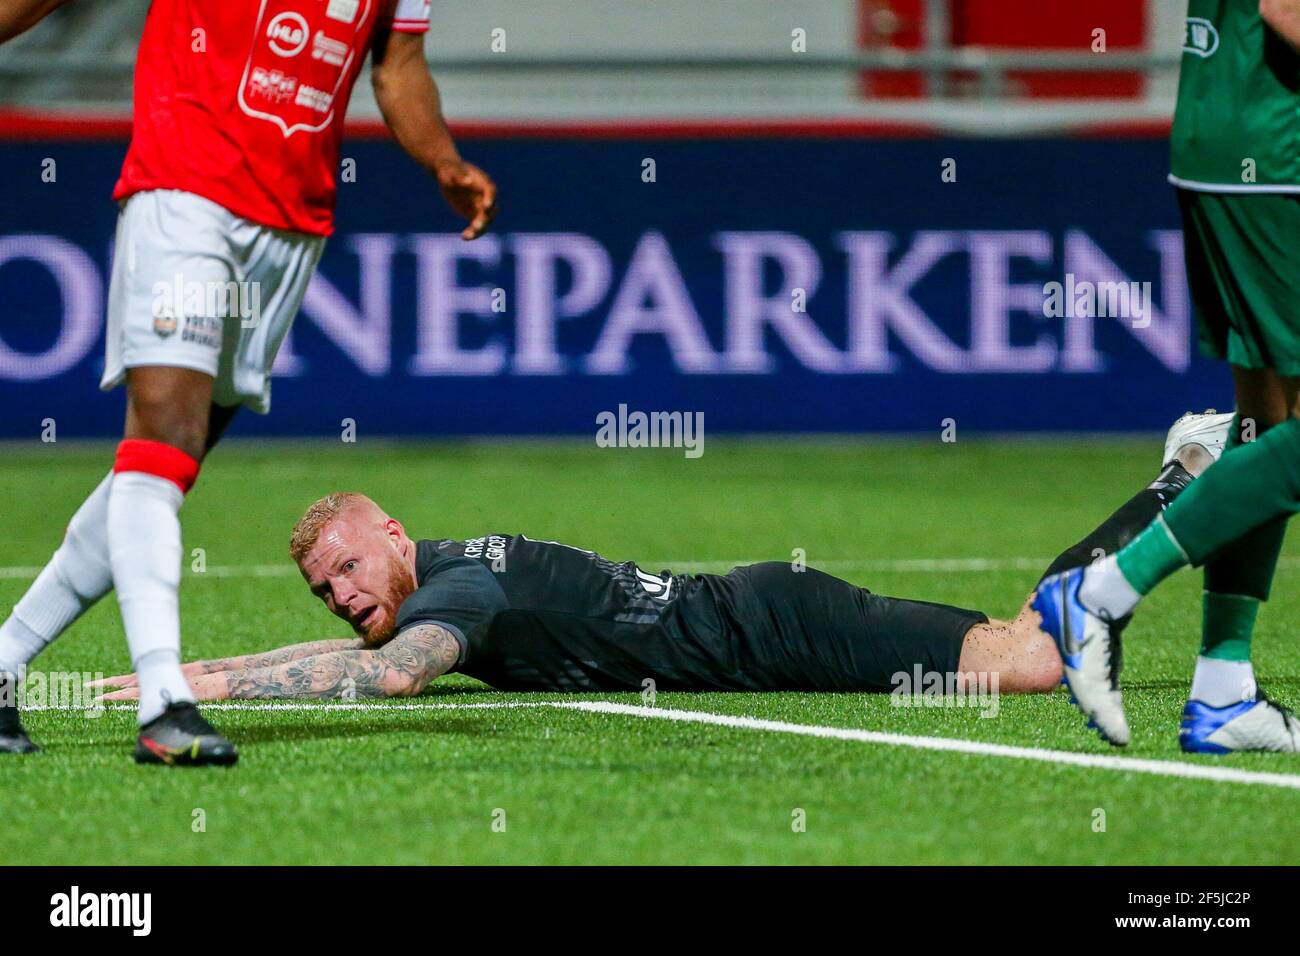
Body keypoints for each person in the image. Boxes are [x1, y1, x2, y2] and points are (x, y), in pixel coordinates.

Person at [0, 0, 499, 765]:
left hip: (290, 225)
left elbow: (397, 65)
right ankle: (166, 705)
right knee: (162, 445)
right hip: (186, 190)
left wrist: (442, 160)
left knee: (166, 467)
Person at [89, 416, 1230, 706]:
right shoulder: (439, 573)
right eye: (324, 589)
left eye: (347, 568)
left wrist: (199, 684)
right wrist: (194, 667)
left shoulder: (457, 592)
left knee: (1032, 659)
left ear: (394, 534)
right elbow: (369, 646)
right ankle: (1178, 477)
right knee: (1022, 633)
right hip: (755, 622)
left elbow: (392, 674)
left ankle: (1184, 481)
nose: (341, 598)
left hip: (772, 627)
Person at [1035, 1, 1300, 752]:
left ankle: (1223, 692)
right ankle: (1099, 592)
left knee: (1266, 427)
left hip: (1228, 142)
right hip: (1276, 154)